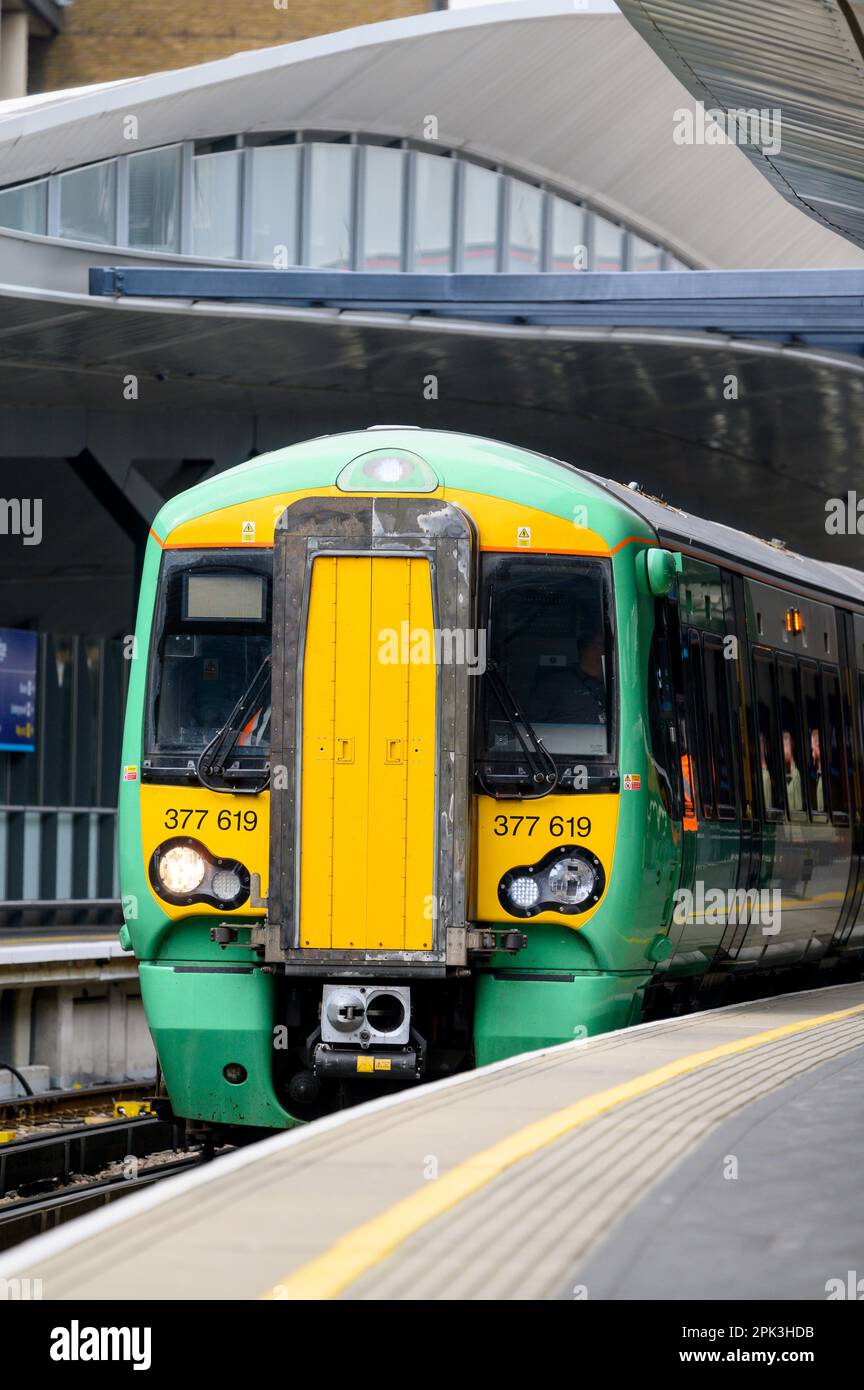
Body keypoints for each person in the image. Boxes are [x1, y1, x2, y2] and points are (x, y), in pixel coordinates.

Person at [783, 728, 803, 813]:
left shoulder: (796, 774)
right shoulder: (785, 774)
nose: (784, 751)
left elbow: (798, 810)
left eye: (786, 745)